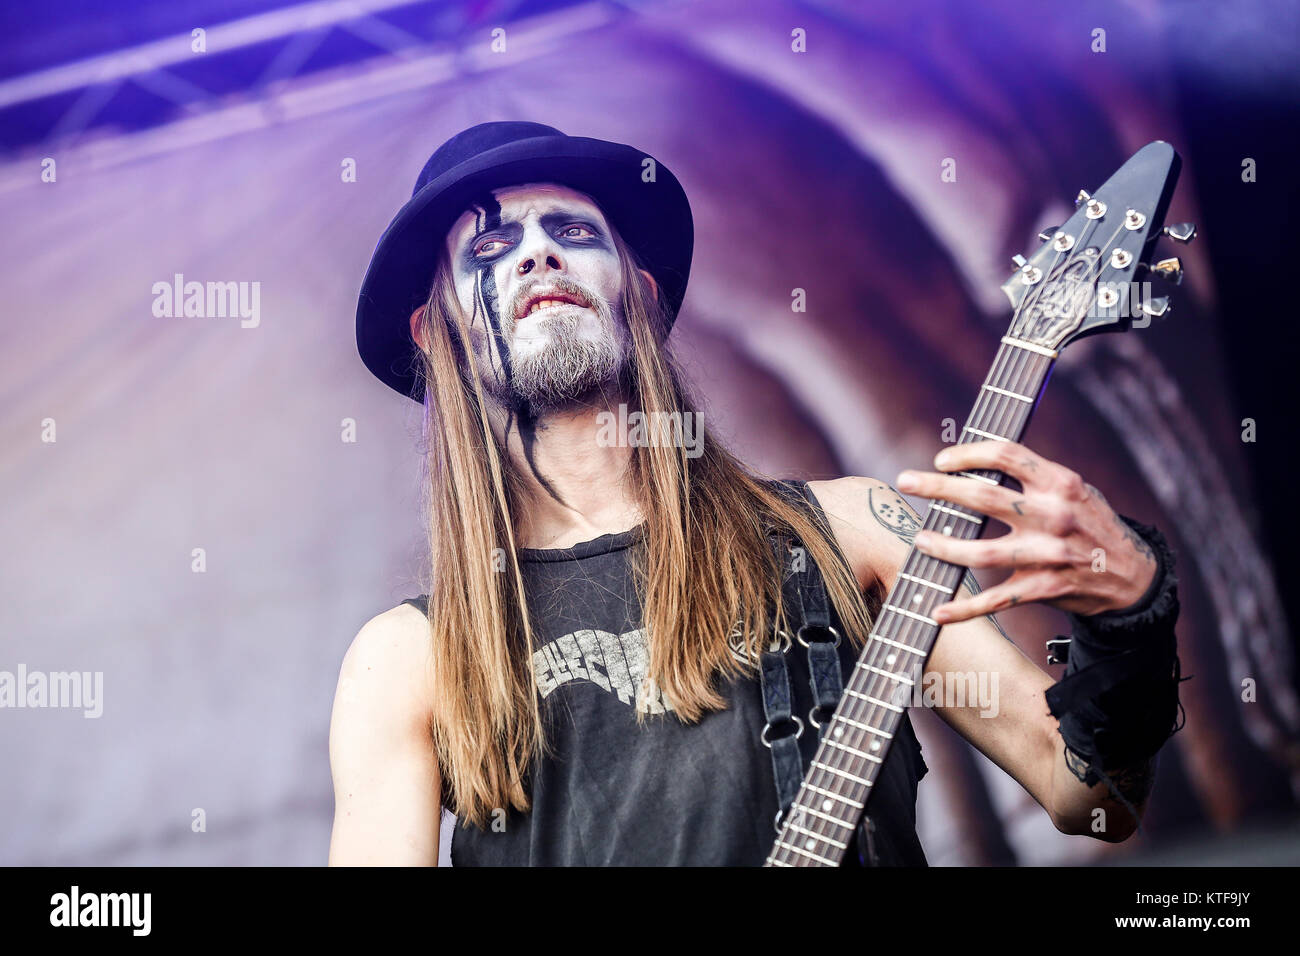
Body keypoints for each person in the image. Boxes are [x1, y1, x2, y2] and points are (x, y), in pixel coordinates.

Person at [329, 122, 1182, 866]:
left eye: (571, 229)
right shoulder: (409, 656)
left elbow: (1096, 803)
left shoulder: (850, 529)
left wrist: (1129, 623)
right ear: (433, 334)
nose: (537, 252)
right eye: (488, 248)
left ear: (641, 291)